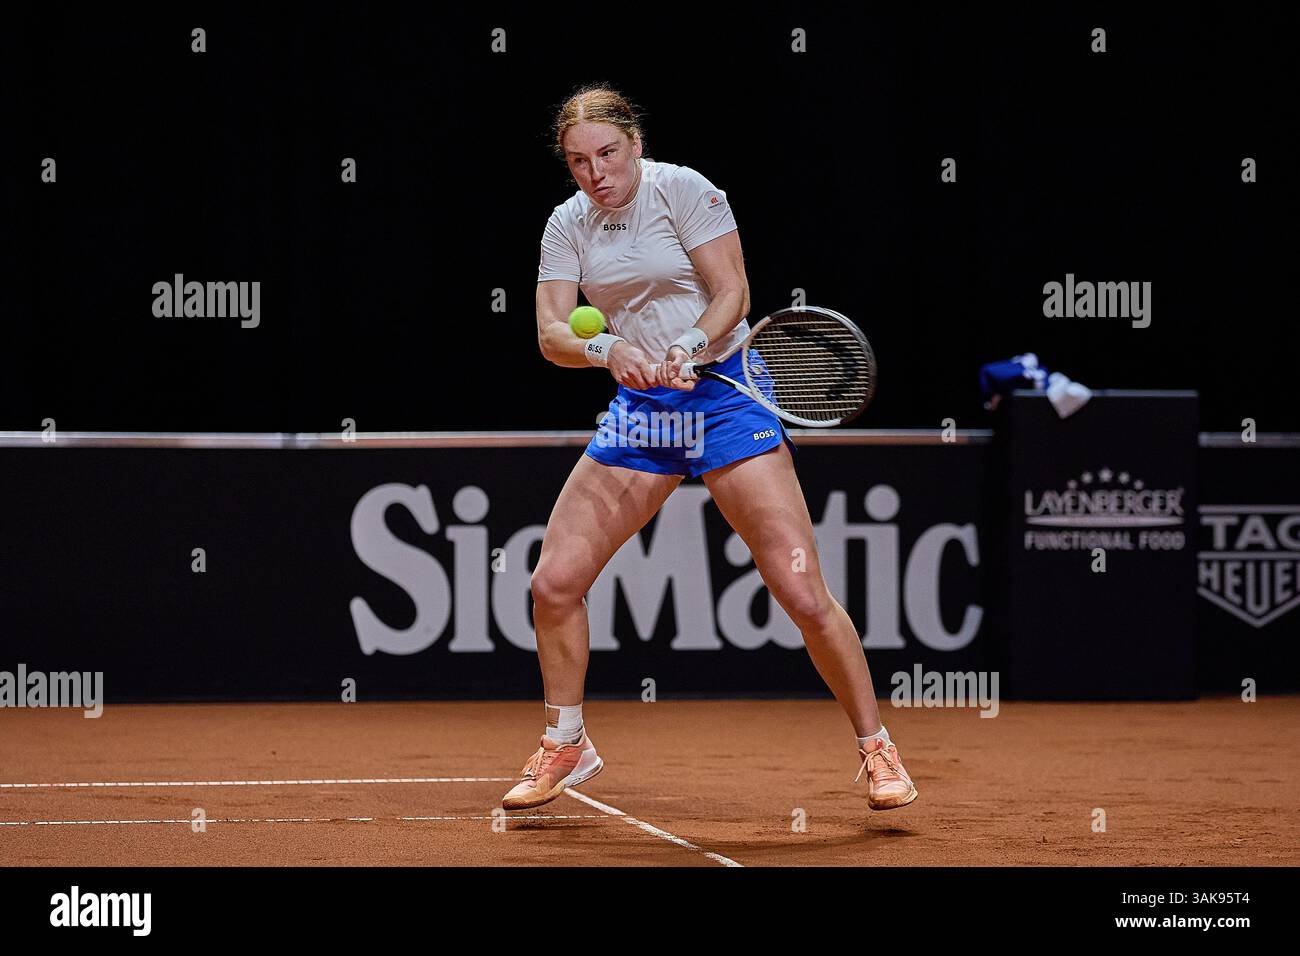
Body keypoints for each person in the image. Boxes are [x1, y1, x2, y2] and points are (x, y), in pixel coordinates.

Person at [502, 84, 917, 814]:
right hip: (643, 412)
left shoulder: (684, 191)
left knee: (800, 592)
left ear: (634, 144)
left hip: (725, 395)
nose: (596, 173)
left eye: (607, 154)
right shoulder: (567, 224)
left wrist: (690, 344)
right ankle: (567, 741)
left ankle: (877, 748)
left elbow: (732, 291)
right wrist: (609, 350)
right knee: (554, 583)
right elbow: (550, 332)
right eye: (578, 161)